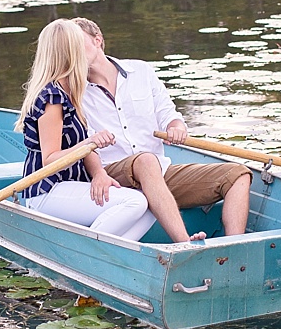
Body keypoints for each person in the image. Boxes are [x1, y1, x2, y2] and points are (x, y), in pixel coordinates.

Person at [71, 17, 251, 242]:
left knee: (238, 174)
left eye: (78, 43)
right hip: (113, 174)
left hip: (159, 172)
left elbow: (168, 113)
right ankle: (185, 243)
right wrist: (98, 173)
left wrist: (176, 126)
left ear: (97, 40)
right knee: (146, 161)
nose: (73, 51)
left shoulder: (141, 71)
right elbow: (84, 142)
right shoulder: (73, 89)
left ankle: (233, 247)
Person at [18, 19, 157, 241]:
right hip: (47, 191)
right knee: (134, 201)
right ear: (68, 52)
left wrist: (99, 171)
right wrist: (89, 143)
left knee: (151, 204)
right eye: (78, 45)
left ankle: (109, 253)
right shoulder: (52, 97)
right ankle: (86, 249)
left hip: (72, 185)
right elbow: (50, 160)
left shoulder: (72, 91)